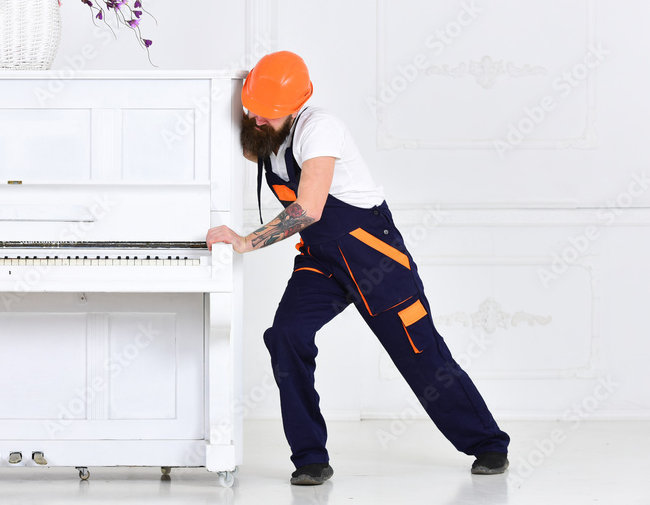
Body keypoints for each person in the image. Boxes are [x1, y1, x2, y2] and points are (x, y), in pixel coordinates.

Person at [206, 51, 510, 485]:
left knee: (419, 352)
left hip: (374, 258)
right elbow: (231, 131)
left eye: (268, 114)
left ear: (295, 106)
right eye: (253, 110)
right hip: (322, 261)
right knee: (286, 336)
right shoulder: (264, 136)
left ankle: (488, 443)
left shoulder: (320, 129)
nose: (256, 121)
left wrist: (244, 242)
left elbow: (308, 209)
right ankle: (310, 458)